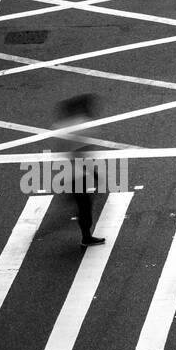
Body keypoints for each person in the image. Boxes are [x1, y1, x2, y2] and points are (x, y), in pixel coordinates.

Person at [53, 94, 105, 247]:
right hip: (76, 175)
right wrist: (95, 174)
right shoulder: (81, 126)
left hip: (70, 173)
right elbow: (80, 157)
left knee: (83, 203)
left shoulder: (63, 126)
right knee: (85, 206)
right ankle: (86, 236)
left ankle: (85, 233)